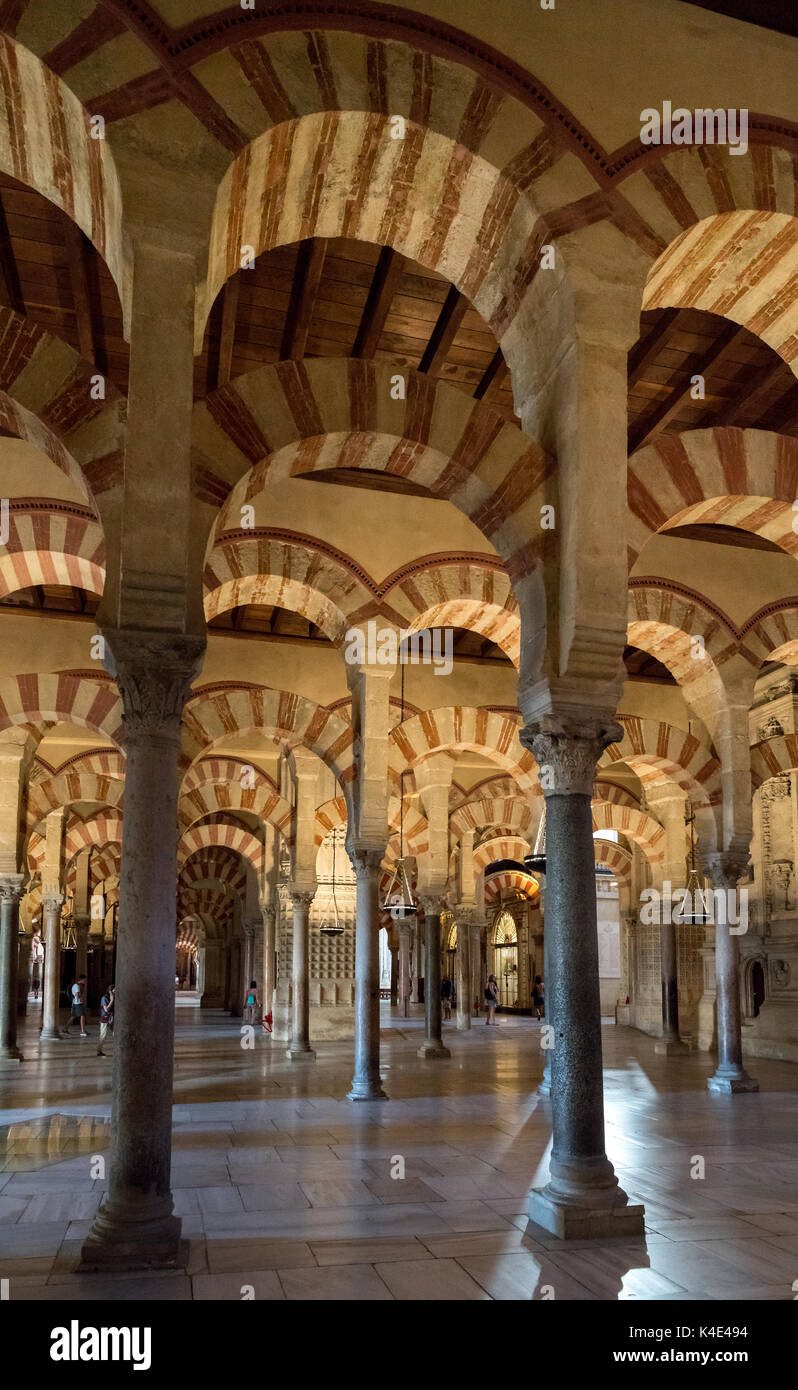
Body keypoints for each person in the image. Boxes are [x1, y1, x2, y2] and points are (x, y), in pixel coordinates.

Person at [97, 984, 114, 1056]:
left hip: (112, 1018)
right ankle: (99, 1051)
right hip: (105, 1018)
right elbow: (106, 1009)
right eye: (114, 991)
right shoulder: (104, 998)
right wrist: (112, 1000)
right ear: (110, 991)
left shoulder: (115, 997)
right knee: (103, 1035)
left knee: (116, 1034)